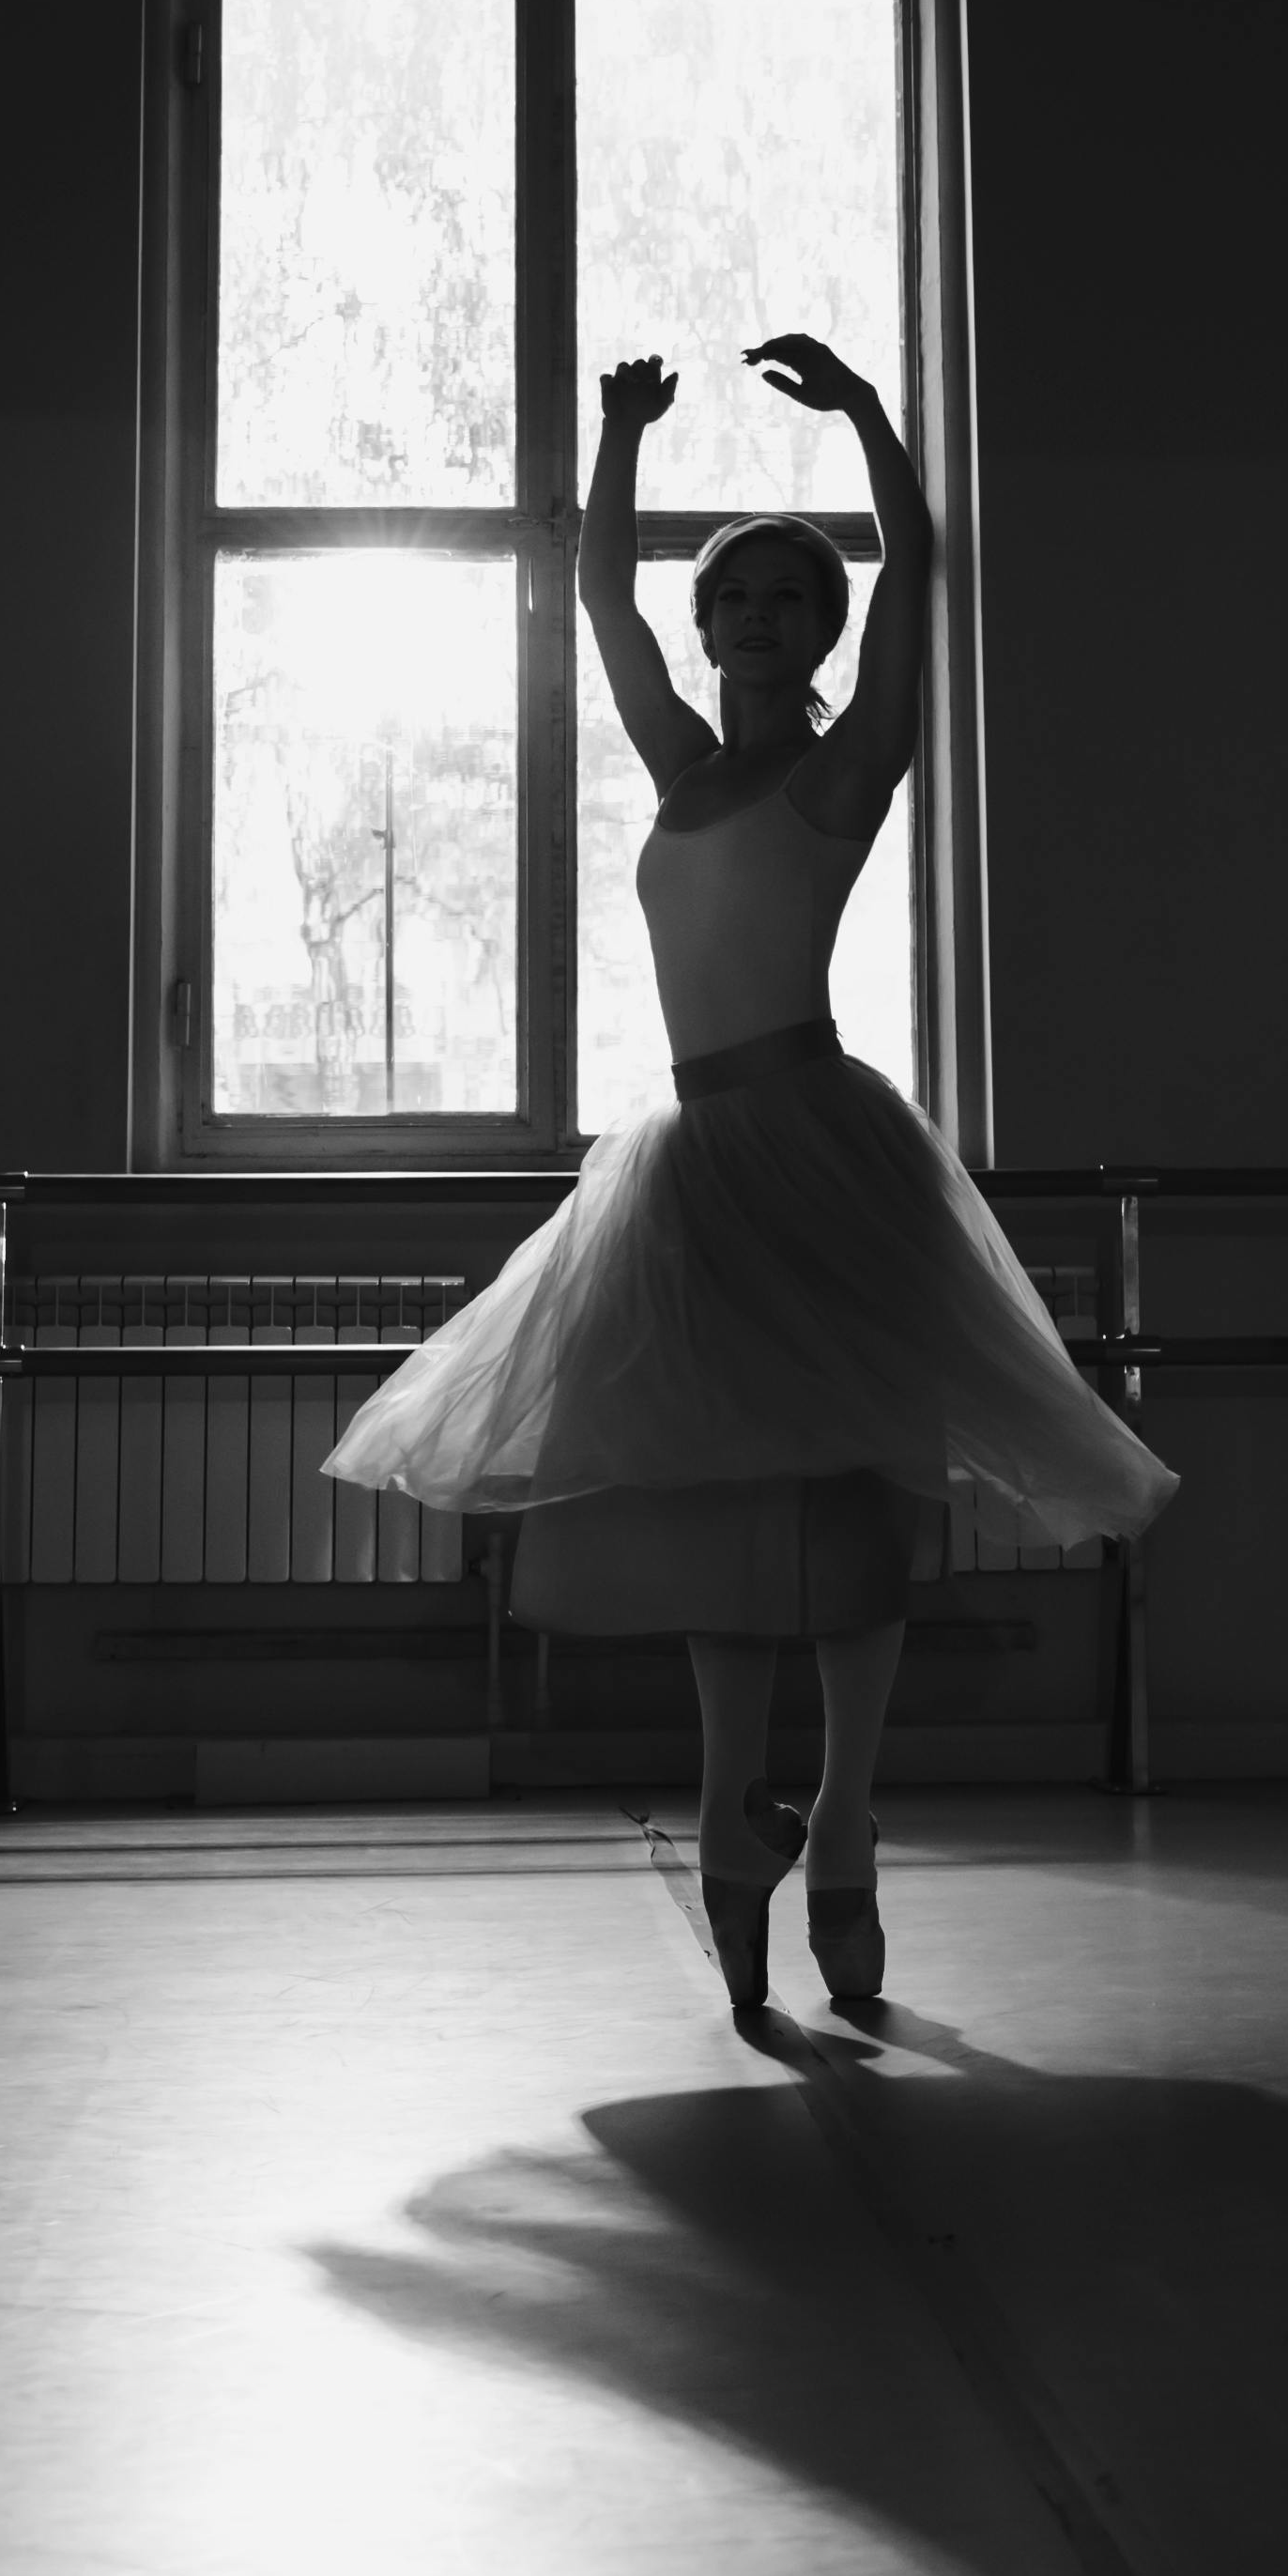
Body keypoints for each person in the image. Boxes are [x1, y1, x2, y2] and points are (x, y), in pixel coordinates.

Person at [323, 332, 1176, 2020]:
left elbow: (922, 578)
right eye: (738, 606)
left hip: (814, 1140)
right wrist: (619, 441)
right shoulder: (680, 766)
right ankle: (737, 1810)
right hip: (699, 1162)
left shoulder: (846, 768)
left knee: (849, 1508)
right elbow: (599, 611)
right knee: (724, 1514)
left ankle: (846, 1819)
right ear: (714, 636)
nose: (757, 625)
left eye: (789, 603)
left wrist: (868, 423)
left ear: (820, 633)